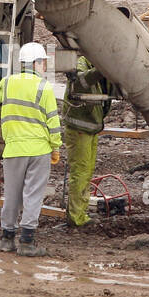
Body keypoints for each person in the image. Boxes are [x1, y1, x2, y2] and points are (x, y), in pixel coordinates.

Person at [0, 42, 62, 256]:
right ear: (37, 63)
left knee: (12, 194)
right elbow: (53, 120)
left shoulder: (7, 82)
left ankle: (6, 239)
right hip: (39, 149)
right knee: (33, 194)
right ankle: (27, 242)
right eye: (43, 63)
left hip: (14, 149)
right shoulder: (44, 87)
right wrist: (56, 147)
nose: (44, 66)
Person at [62, 56, 110, 228]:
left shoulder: (94, 64)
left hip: (91, 128)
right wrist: (102, 68)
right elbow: (81, 81)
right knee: (80, 172)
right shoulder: (82, 63)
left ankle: (80, 212)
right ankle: (76, 217)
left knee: (87, 172)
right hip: (80, 129)